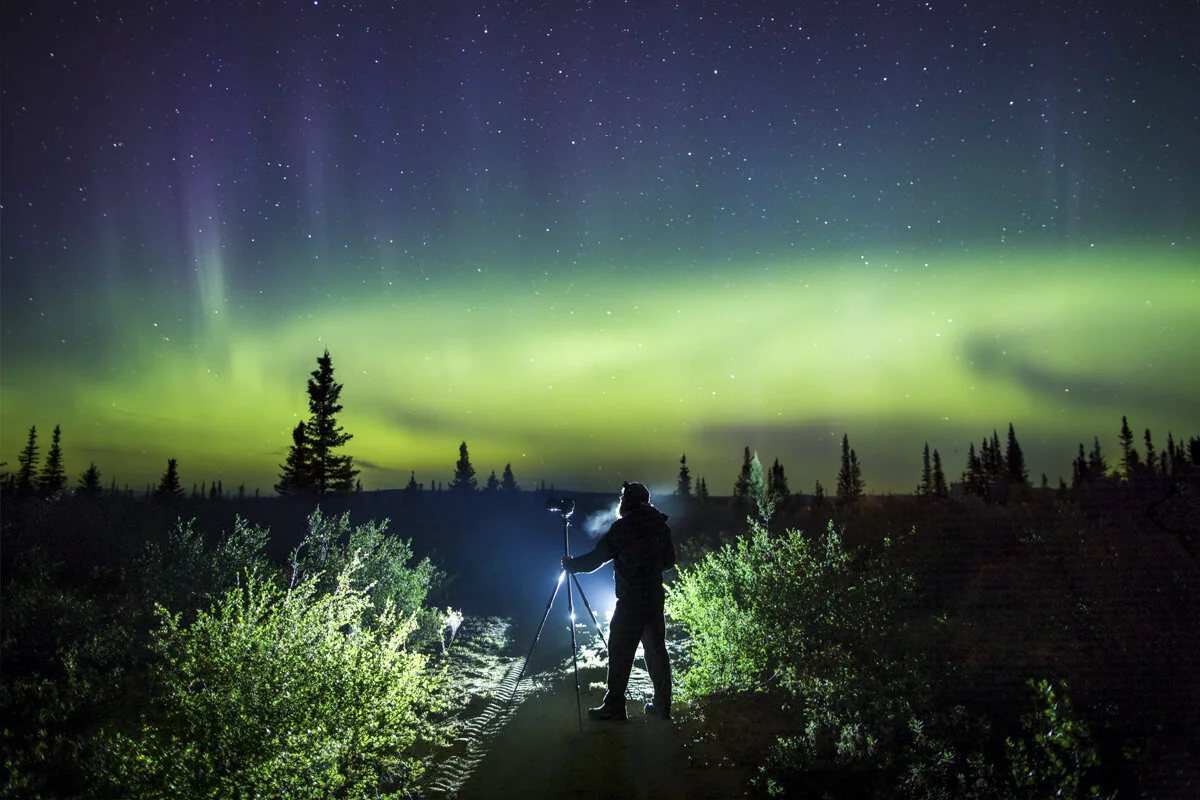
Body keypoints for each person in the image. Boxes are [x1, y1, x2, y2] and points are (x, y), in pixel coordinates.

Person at [562, 481, 676, 721]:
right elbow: (669, 561)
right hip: (654, 598)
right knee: (656, 651)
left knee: (619, 651)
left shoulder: (623, 528)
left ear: (627, 501)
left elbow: (596, 559)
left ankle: (614, 706)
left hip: (630, 600)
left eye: (623, 497)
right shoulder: (661, 527)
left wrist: (573, 565)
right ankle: (663, 706)